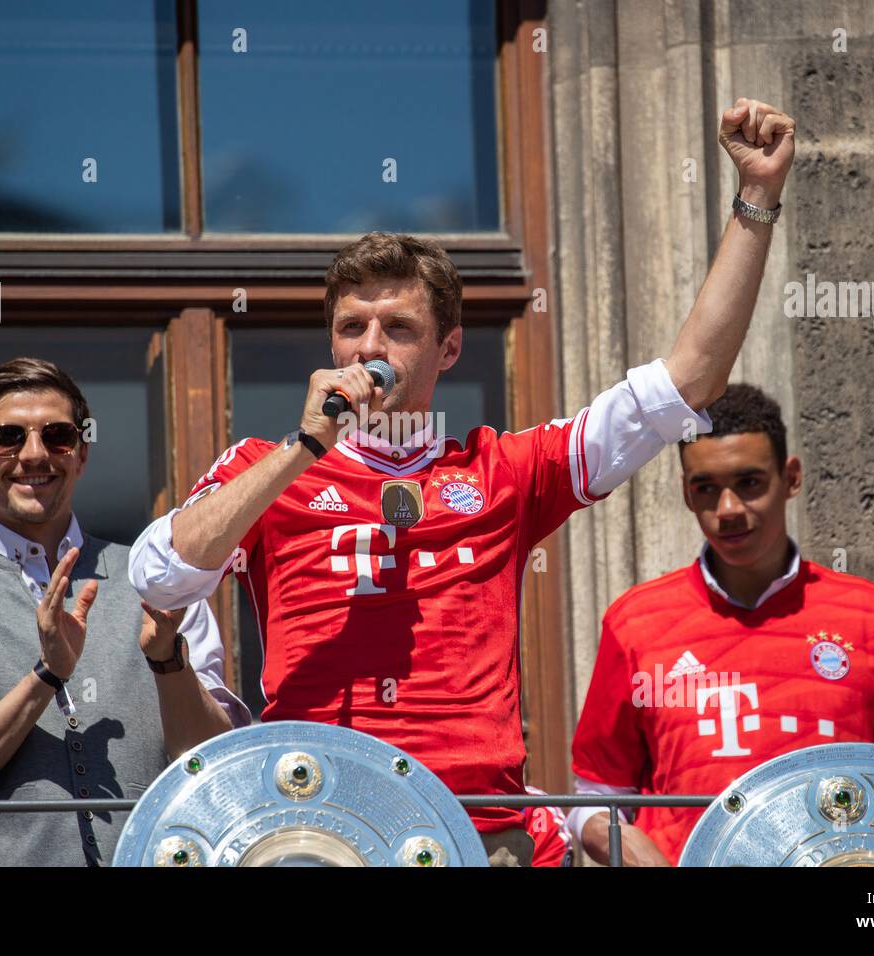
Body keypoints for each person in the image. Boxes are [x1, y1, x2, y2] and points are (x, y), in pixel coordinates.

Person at [130, 98, 798, 866]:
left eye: (398, 329)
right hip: (317, 833)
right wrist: (305, 449)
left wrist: (757, 200)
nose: (368, 346)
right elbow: (158, 577)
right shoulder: (265, 465)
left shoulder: (503, 469)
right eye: (351, 327)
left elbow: (690, 382)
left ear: (448, 350)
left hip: (475, 837)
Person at [0, 358, 247, 865]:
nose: (34, 454)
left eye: (57, 436)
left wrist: (169, 661)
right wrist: (46, 676)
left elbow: (214, 765)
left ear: (81, 455)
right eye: (8, 436)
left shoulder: (156, 578)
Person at [569, 385, 874, 865]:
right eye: (706, 488)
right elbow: (594, 799)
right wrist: (639, 853)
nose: (727, 510)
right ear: (687, 493)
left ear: (791, 478)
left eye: (749, 483)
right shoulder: (634, 622)